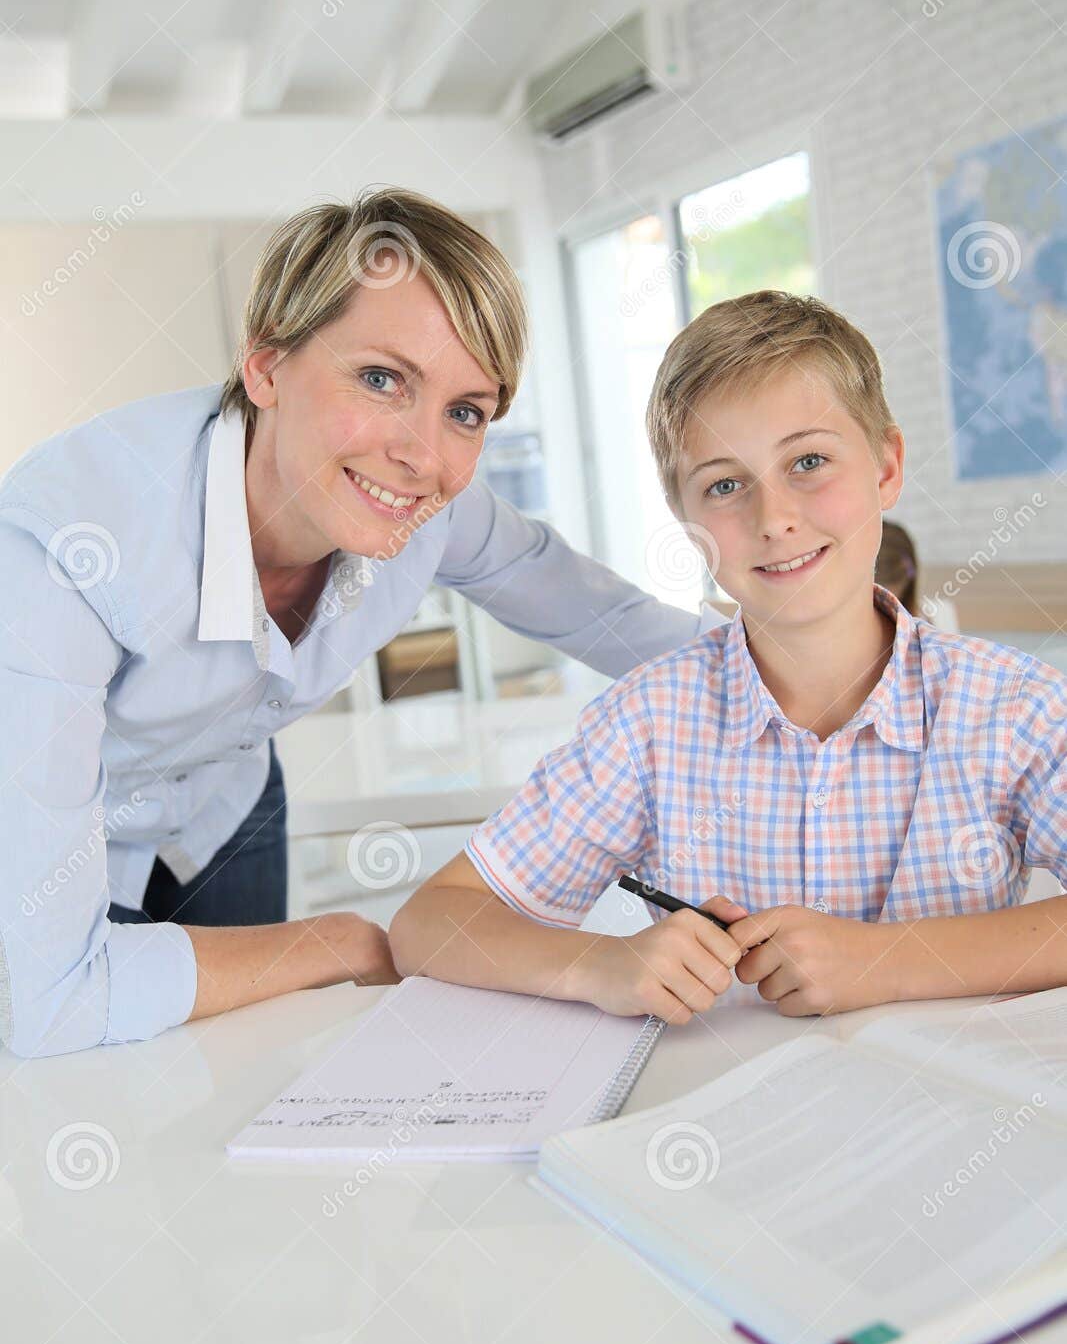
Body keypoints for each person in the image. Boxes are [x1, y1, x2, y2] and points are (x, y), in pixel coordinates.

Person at [0, 188, 708, 1058]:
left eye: (465, 411)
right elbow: (54, 1000)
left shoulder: (432, 507)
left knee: (239, 1064)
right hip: (51, 832)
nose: (422, 456)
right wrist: (339, 943)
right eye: (380, 379)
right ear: (265, 366)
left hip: (222, 803)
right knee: (79, 1081)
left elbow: (599, 612)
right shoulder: (61, 553)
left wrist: (800, 664)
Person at [391, 289, 1067, 1022]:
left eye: (808, 461)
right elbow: (428, 925)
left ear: (885, 468)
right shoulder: (648, 722)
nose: (773, 518)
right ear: (685, 521)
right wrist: (603, 963)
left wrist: (887, 960)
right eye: (723, 484)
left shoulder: (1014, 707)